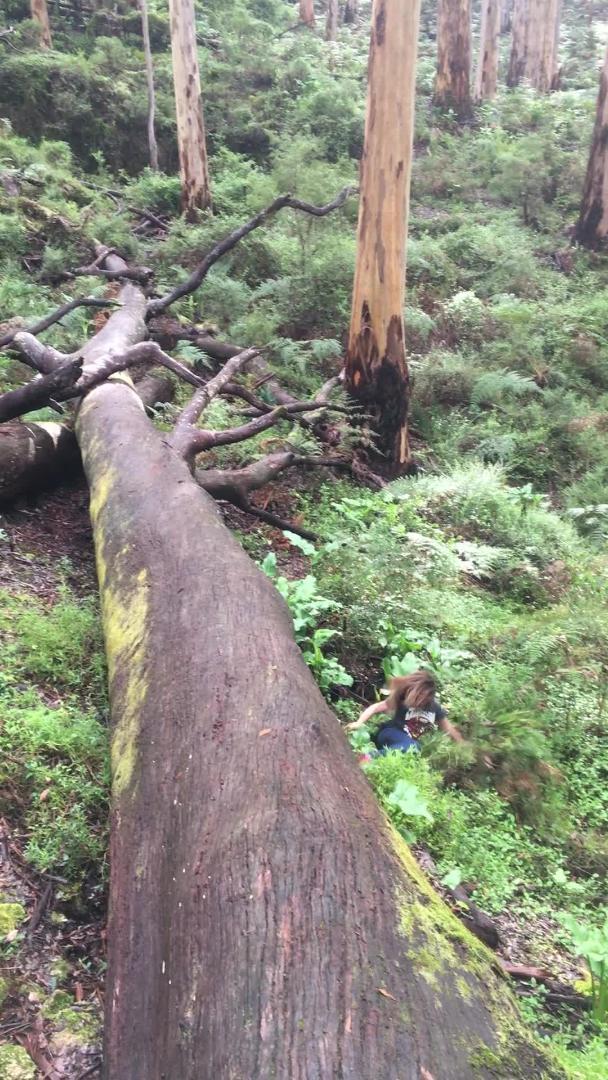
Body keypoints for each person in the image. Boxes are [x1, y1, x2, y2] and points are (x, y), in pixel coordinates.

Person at [346, 669, 463, 754]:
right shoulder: (403, 699)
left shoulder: (435, 709)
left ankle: (378, 756)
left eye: (423, 697)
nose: (419, 701)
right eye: (418, 696)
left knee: (414, 749)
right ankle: (369, 757)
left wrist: (464, 746)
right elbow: (376, 707)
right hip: (389, 733)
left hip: (405, 745)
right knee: (414, 747)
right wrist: (359, 722)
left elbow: (449, 730)